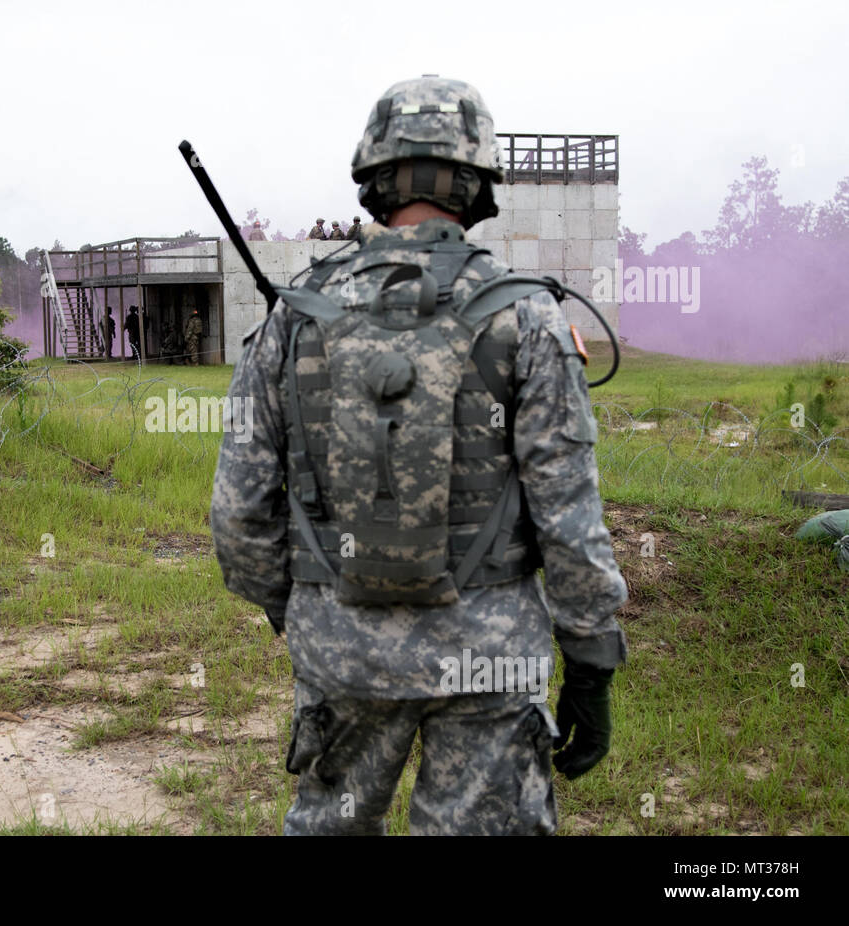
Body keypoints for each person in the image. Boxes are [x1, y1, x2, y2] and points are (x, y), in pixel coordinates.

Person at [210, 77, 628, 836]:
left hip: (341, 650)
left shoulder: (295, 318)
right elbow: (568, 511)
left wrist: (302, 610)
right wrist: (592, 657)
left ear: (372, 182)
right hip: (490, 657)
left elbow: (238, 511)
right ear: (476, 183)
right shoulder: (526, 314)